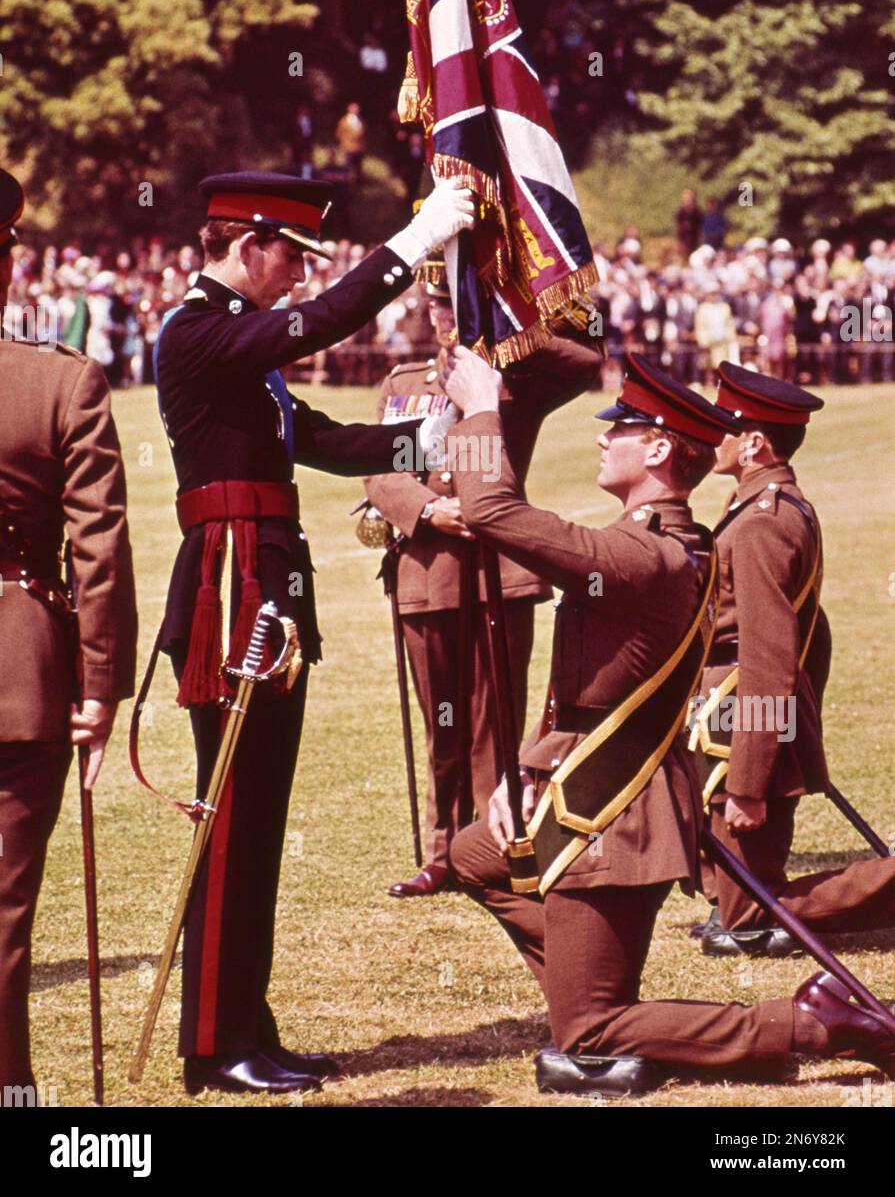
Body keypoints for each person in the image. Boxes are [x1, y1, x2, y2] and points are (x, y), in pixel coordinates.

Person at [440, 348, 895, 1095]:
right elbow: (587, 686)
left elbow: (491, 511)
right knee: (473, 857)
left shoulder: (643, 553)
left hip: (609, 812)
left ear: (654, 449)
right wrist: (526, 767)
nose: (598, 438)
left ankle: (812, 1022)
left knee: (590, 1030)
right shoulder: (659, 543)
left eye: (614, 428)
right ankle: (583, 985)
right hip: (578, 786)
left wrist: (481, 409)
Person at [150, 170, 474, 1096]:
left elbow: (317, 438)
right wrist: (412, 244)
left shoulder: (237, 345)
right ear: (245, 244)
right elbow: (319, 321)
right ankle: (213, 1043)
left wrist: (424, 438)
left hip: (262, 580)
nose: (296, 276)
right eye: (289, 257)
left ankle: (244, 1024)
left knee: (256, 817)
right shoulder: (202, 330)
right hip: (230, 587)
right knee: (234, 816)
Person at [364, 282, 601, 897]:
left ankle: (490, 844)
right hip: (425, 569)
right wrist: (427, 511)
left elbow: (589, 356)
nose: (448, 314)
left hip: (500, 571)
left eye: (461, 299)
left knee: (494, 721)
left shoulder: (513, 377)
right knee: (441, 719)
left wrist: (513, 322)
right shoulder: (405, 382)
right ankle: (442, 850)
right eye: (440, 302)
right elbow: (378, 469)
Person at [0, 170, 137, 1100]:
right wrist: (100, 685)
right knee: (4, 917)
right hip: (23, 674)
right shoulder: (58, 380)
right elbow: (99, 547)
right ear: (8, 266)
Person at [694, 362, 895, 956]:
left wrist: (749, 782)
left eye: (721, 428)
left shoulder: (762, 524)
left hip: (745, 723)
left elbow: (771, 654)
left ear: (753, 443)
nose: (711, 438)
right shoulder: (769, 506)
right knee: (731, 911)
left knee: (744, 925)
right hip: (736, 715)